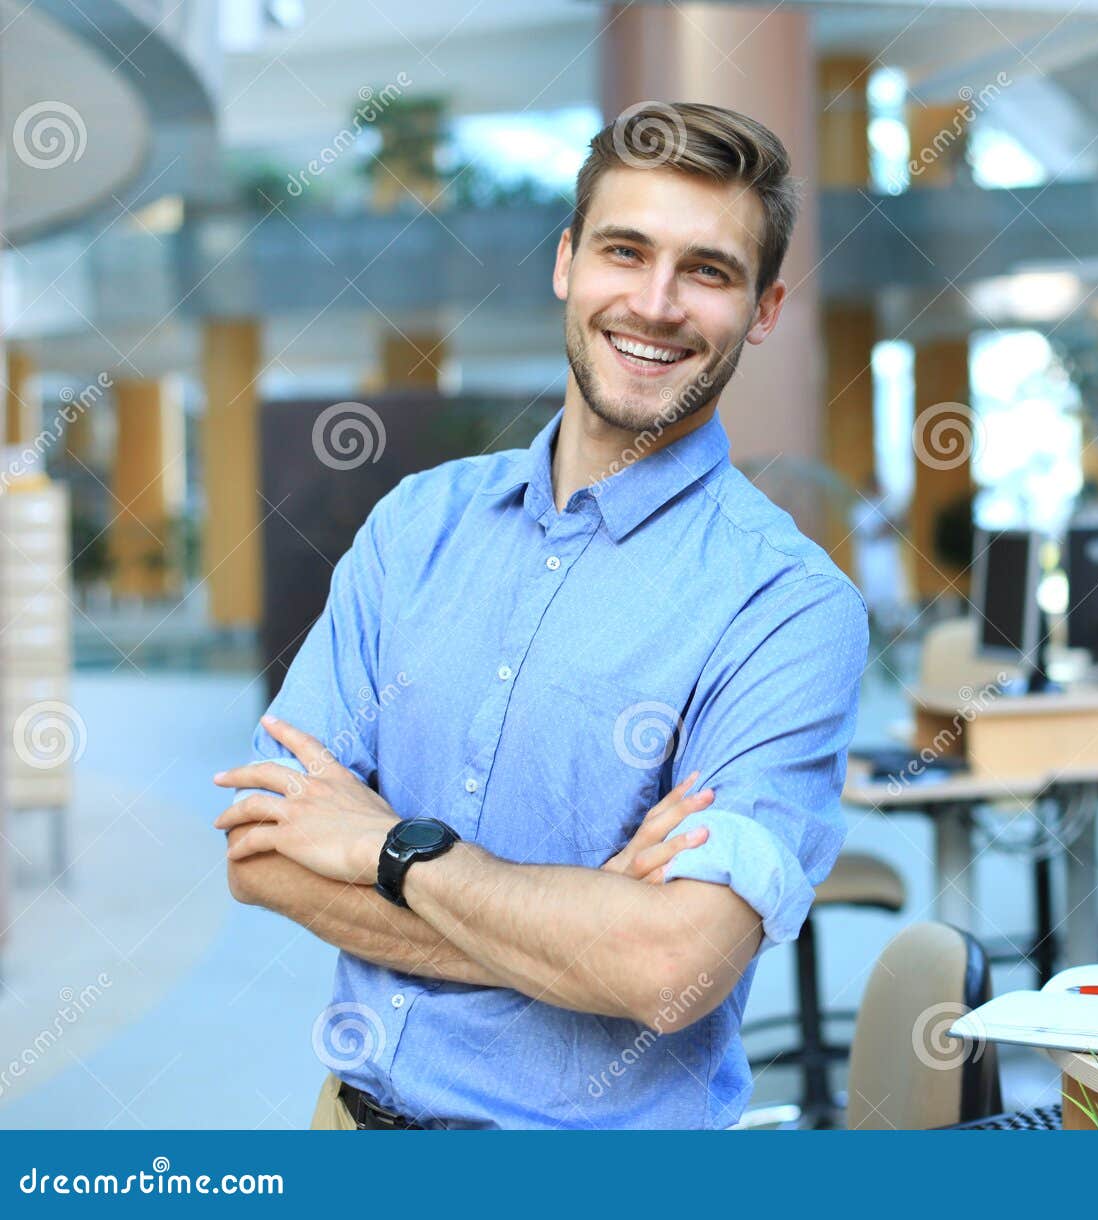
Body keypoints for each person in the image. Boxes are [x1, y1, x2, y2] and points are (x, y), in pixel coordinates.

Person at [213, 102, 868, 1130]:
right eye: (624, 250)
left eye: (707, 270)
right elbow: (263, 851)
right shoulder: (414, 527)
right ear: (567, 261)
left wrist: (387, 846)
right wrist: (580, 924)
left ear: (764, 307)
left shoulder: (787, 608)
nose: (654, 303)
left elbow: (671, 970)